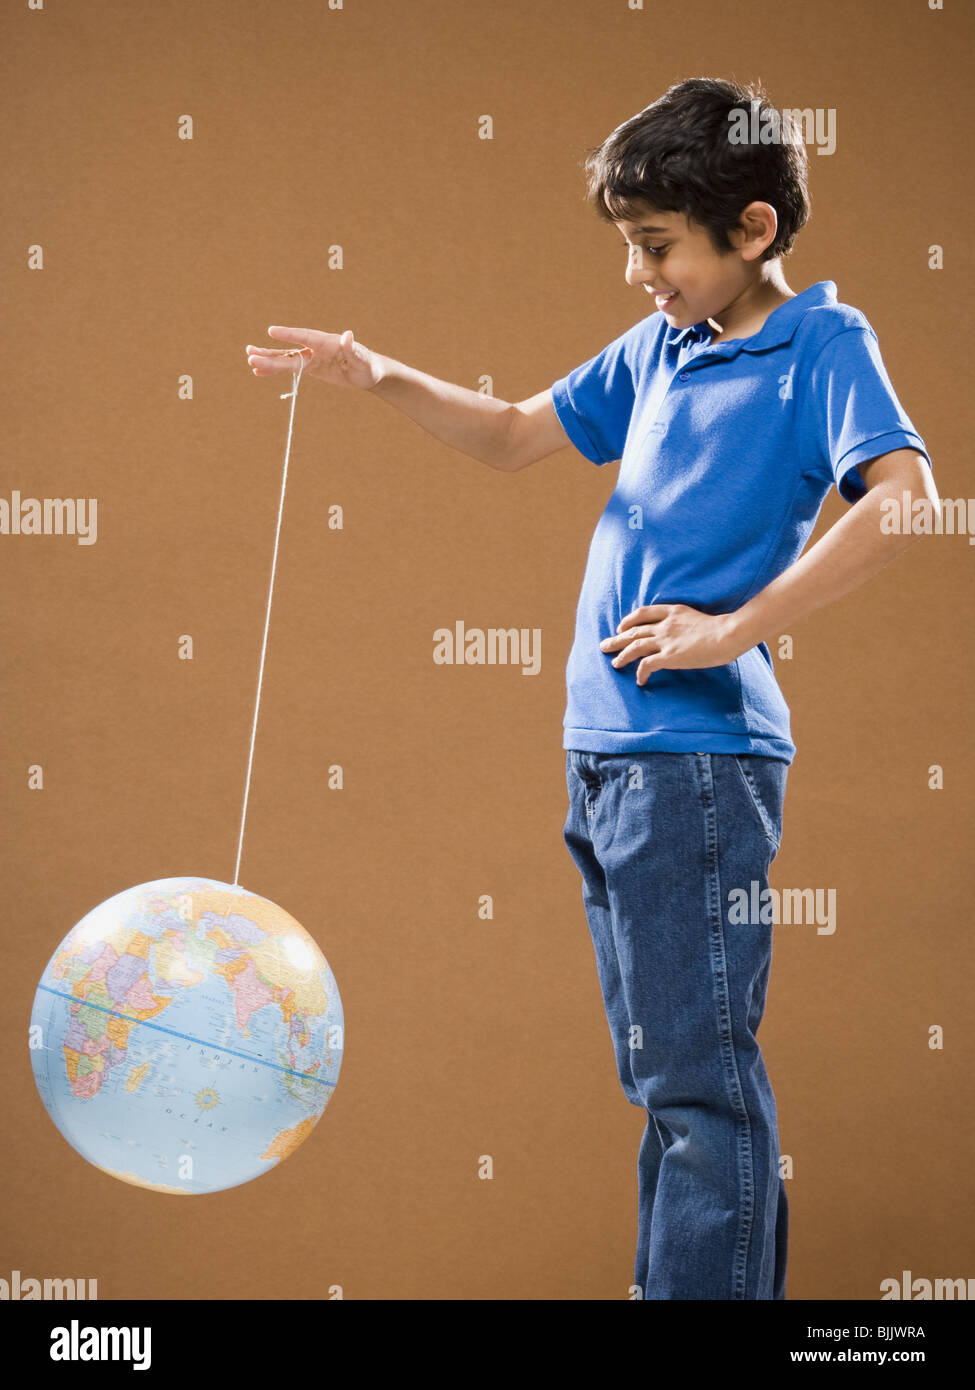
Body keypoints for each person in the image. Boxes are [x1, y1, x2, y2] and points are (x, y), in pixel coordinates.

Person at [245, 76, 937, 1300]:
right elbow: (516, 433)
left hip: (696, 764)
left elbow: (904, 502)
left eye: (658, 247)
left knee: (696, 1082)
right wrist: (378, 373)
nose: (640, 275)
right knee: (664, 1082)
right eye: (631, 247)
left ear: (755, 229)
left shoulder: (824, 342)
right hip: (608, 753)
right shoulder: (662, 345)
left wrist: (733, 632)